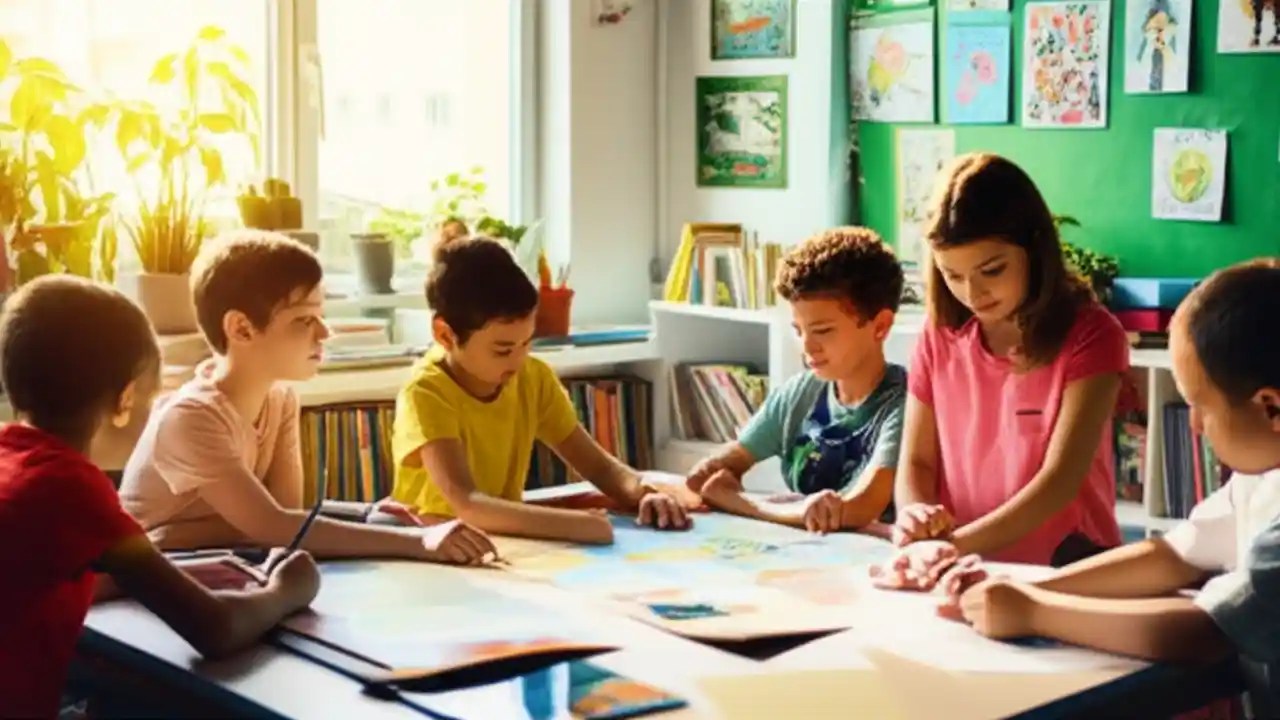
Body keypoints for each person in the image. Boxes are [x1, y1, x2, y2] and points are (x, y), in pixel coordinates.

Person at [945, 259, 1280, 715]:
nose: (1196, 427)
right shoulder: (1260, 478)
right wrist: (1031, 591)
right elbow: (1171, 556)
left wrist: (1035, 612)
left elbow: (1204, 633)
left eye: (1200, 405)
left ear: (1270, 408)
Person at [0, 276, 320, 719]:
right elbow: (215, 629)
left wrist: (174, 572)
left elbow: (47, 581)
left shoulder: (11, 461)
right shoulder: (72, 488)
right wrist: (286, 591)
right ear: (125, 400)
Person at [119, 231, 495, 564]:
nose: (325, 332)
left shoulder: (279, 398)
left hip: (209, 560)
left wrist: (364, 515)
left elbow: (286, 514)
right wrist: (418, 540)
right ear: (241, 328)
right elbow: (274, 525)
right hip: (144, 584)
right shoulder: (192, 417)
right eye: (303, 320)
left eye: (321, 315)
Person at [889, 153, 1129, 569]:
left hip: (1066, 568)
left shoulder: (1093, 335)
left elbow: (1058, 484)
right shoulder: (939, 333)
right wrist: (914, 515)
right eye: (952, 275)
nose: (973, 292)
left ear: (1034, 250)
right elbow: (917, 460)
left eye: (992, 270)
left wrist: (954, 545)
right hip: (962, 563)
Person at [391, 235, 691, 545]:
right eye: (503, 349)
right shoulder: (426, 392)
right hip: (430, 546)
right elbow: (468, 504)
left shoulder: (533, 378)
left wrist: (643, 492)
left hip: (498, 544)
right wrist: (579, 525)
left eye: (527, 342)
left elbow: (599, 467)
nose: (519, 360)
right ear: (445, 335)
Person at [686, 227, 907, 533]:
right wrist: (716, 475)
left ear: (880, 326)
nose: (807, 346)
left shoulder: (905, 403)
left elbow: (856, 510)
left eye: (823, 330)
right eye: (798, 330)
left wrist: (741, 502)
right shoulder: (800, 392)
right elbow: (710, 475)